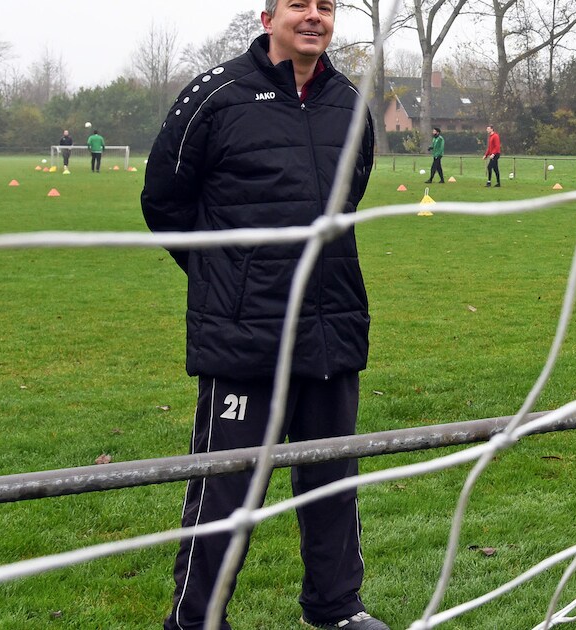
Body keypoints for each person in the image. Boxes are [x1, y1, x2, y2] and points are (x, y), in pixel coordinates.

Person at [140, 0, 384, 626]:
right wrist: (228, 279)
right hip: (243, 335)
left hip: (330, 325)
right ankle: (196, 618)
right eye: (298, 5)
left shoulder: (348, 102)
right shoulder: (215, 95)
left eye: (325, 6)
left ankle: (335, 608)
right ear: (266, 17)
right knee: (225, 489)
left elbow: (350, 190)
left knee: (332, 480)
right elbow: (164, 201)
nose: (314, 17)